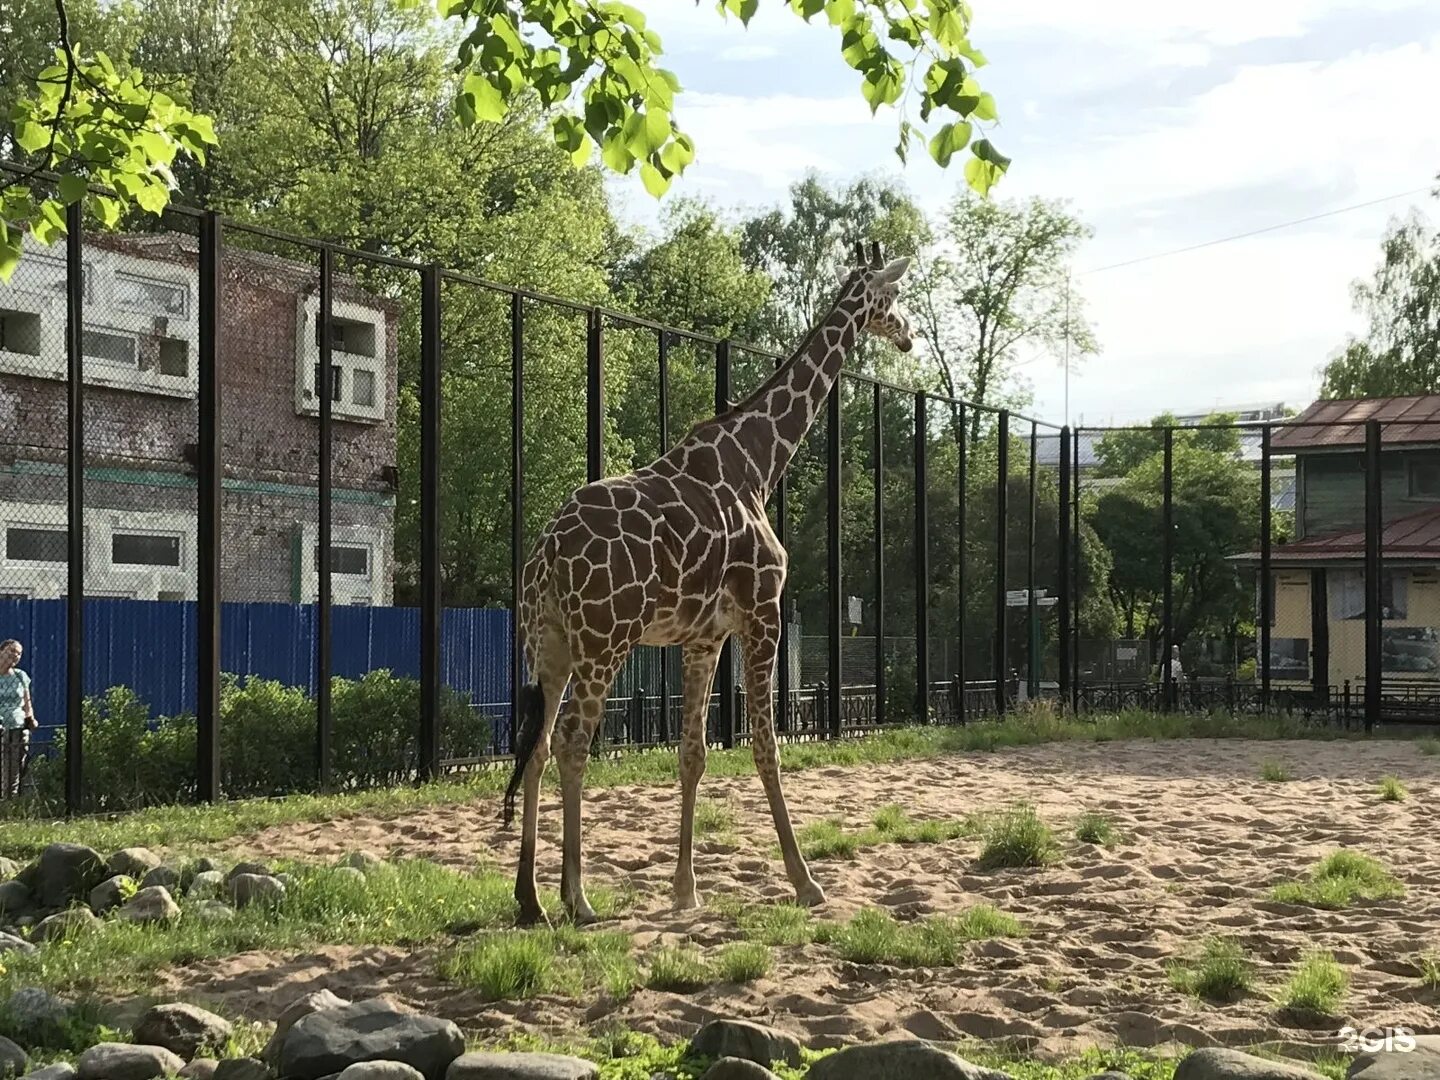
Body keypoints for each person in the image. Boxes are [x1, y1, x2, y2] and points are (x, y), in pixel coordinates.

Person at [0, 639, 36, 799]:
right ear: (1, 651)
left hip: (18, 725)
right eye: (11, 651)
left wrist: (30, 718)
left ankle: (10, 799)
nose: (15, 655)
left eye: (19, 653)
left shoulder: (21, 676)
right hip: (1, 725)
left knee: (15, 764)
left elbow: (27, 701)